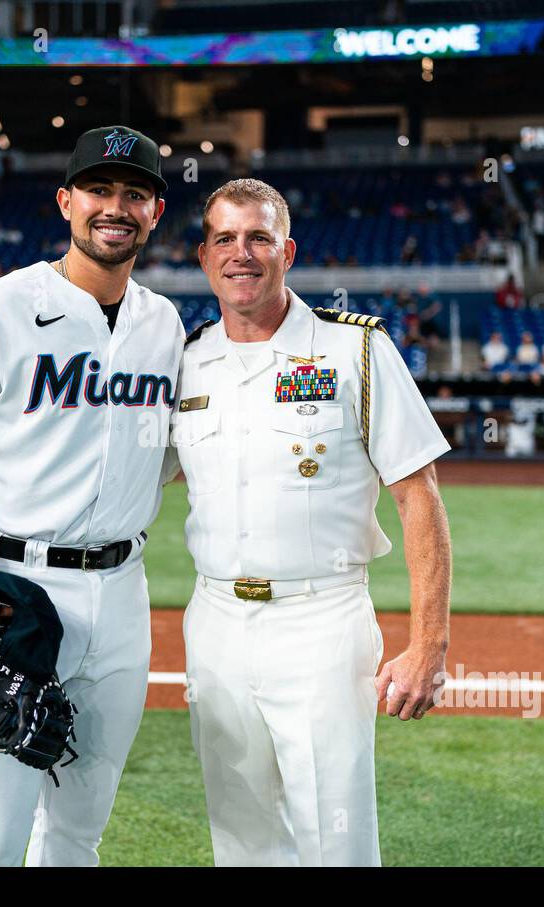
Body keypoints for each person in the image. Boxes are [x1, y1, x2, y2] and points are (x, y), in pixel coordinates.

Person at [0, 125, 182, 867]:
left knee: (78, 835)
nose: (115, 207)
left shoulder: (165, 326)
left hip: (123, 597)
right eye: (99, 189)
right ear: (65, 201)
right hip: (15, 593)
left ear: (154, 212)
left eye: (135, 193)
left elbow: (172, 455)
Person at [168, 179, 452, 866]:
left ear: (287, 251)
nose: (243, 253)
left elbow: (419, 497)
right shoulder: (185, 360)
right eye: (226, 239)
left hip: (320, 624)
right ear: (205, 256)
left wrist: (429, 645)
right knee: (240, 837)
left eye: (259, 237)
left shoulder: (354, 350)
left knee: (336, 836)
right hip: (213, 625)